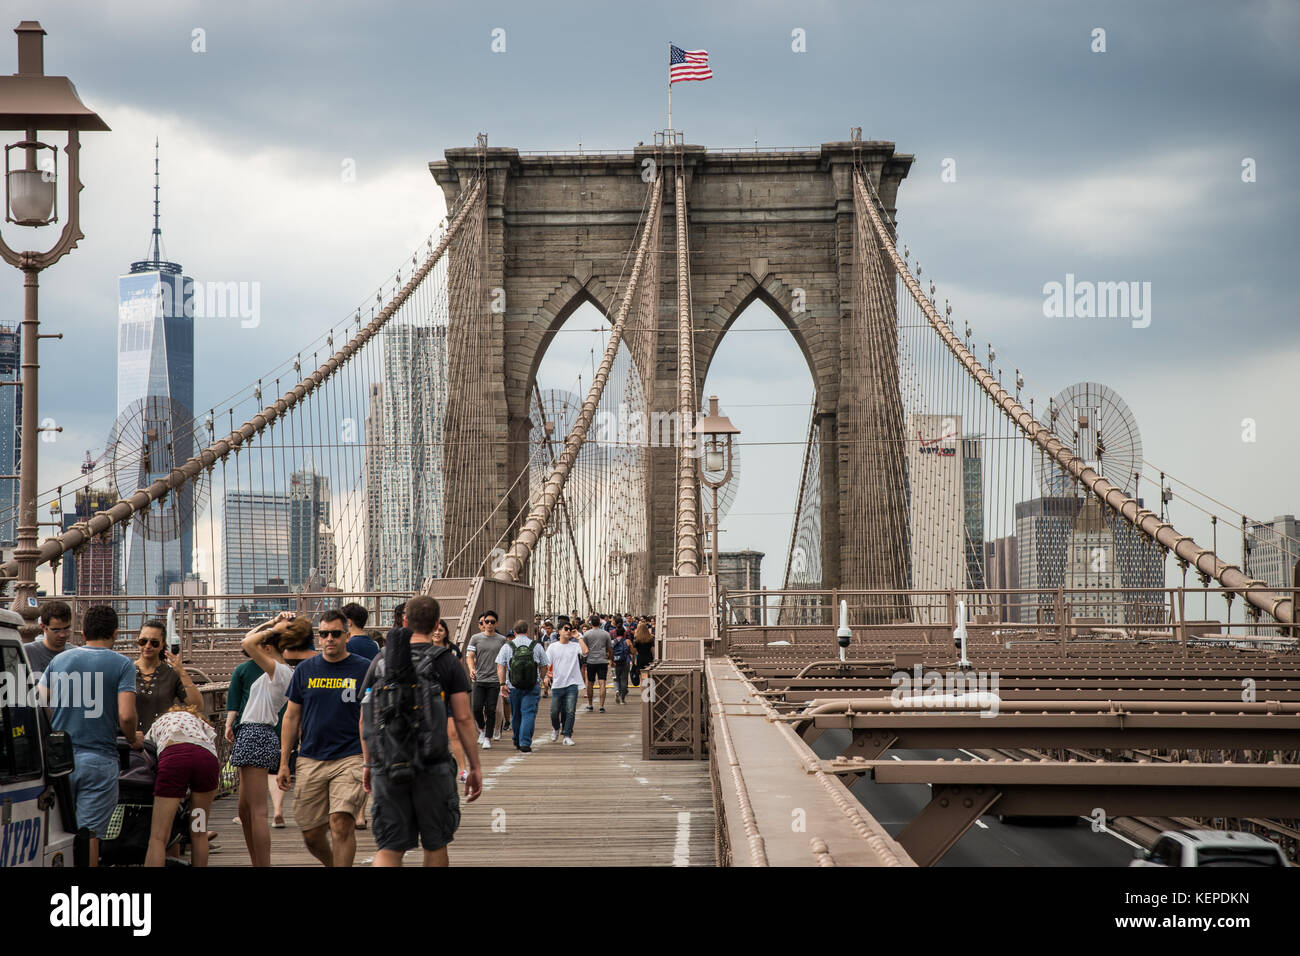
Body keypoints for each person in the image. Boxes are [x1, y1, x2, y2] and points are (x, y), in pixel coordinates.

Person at [360, 596, 481, 866]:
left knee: (389, 847)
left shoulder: (380, 662)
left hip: (388, 764)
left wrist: (369, 762)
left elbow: (364, 718)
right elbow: (462, 718)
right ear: (437, 623)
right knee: (435, 844)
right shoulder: (447, 662)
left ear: (404, 621)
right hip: (433, 764)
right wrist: (474, 766)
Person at [38, 604, 139, 867]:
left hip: (60, 760)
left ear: (82, 632)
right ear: (115, 633)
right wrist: (133, 739)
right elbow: (127, 716)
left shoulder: (59, 660)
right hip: (99, 758)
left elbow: (40, 700)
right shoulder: (122, 664)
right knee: (89, 833)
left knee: (58, 834)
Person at [278, 609, 372, 867]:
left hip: (351, 755)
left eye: (335, 633)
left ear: (347, 635)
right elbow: (291, 717)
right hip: (311, 757)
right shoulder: (305, 670)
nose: (329, 638)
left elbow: (375, 715)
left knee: (341, 823)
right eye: (324, 634)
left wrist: (372, 758)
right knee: (311, 833)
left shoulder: (364, 669)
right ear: (319, 637)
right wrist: (284, 762)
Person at [233, 612, 305, 866]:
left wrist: (276, 627)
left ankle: (262, 863)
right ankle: (257, 861)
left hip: (257, 733)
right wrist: (273, 623)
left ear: (268, 647)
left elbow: (247, 643)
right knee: (244, 810)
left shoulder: (280, 671)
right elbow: (249, 640)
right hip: (252, 733)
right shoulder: (279, 671)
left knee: (257, 811)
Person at [143, 702, 220, 867]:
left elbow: (146, 752)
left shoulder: (160, 722)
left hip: (174, 758)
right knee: (198, 833)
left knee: (158, 838)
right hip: (206, 761)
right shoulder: (202, 724)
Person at [224, 649, 287, 829]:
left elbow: (234, 702)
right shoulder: (284, 669)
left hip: (251, 727)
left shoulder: (243, 669)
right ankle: (277, 810)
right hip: (279, 723)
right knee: (275, 769)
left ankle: (249, 814)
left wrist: (229, 725)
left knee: (250, 778)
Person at [134, 619, 202, 734]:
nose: (148, 646)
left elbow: (197, 705)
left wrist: (182, 673)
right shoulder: (126, 671)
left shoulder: (171, 674)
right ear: (137, 641)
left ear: (162, 645)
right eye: (143, 641)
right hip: (132, 741)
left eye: (154, 642)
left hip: (162, 739)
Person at [495, 620, 548, 753]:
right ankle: (525, 742)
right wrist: (540, 679)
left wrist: (502, 684)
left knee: (516, 714)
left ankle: (517, 740)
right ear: (527, 631)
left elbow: (500, 667)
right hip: (532, 685)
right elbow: (544, 666)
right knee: (528, 713)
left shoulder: (508, 646)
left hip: (513, 686)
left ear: (514, 632)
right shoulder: (536, 646)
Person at [431, 618, 469, 783]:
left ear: (446, 632)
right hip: (430, 699)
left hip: (449, 697)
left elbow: (458, 673)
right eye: (435, 630)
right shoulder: (424, 649)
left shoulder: (453, 650)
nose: (437, 633)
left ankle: (462, 770)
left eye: (441, 630)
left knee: (453, 734)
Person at [465, 610, 508, 747]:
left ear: (496, 624)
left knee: (491, 710)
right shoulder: (475, 638)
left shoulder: (502, 640)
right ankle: (482, 730)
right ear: (482, 623)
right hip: (479, 679)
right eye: (486, 622)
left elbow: (505, 660)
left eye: (492, 622)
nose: (489, 624)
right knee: (476, 708)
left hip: (494, 680)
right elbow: (470, 656)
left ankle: (488, 738)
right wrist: (472, 668)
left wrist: (503, 680)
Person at [543, 622, 587, 745]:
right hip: (557, 683)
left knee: (570, 710)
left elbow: (586, 651)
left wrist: (579, 637)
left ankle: (567, 735)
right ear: (559, 632)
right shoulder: (553, 647)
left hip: (572, 683)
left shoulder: (575, 645)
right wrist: (547, 676)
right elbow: (547, 663)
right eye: (565, 629)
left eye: (570, 629)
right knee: (554, 712)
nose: (568, 631)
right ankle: (556, 728)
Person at [23, 599, 72, 677]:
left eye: (66, 628)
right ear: (43, 627)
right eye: (56, 630)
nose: (62, 635)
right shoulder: (26, 652)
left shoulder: (75, 654)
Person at [581, 614, 612, 713]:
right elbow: (609, 648)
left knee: (590, 683)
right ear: (599, 623)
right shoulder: (606, 634)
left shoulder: (586, 634)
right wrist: (611, 659)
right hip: (602, 660)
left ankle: (590, 705)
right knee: (602, 683)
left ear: (590, 623)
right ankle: (601, 706)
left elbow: (584, 649)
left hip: (591, 661)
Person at [610, 623, 632, 704]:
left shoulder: (612, 642)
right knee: (624, 679)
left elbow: (609, 652)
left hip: (613, 663)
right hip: (625, 662)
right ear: (624, 633)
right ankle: (622, 699)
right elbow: (633, 651)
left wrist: (611, 661)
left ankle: (616, 691)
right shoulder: (627, 641)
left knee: (615, 678)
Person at [632, 619, 654, 686]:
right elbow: (652, 649)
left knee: (642, 678)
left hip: (640, 659)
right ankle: (648, 693)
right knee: (649, 677)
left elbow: (634, 652)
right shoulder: (650, 638)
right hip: (649, 658)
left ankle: (643, 694)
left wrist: (634, 660)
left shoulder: (636, 639)